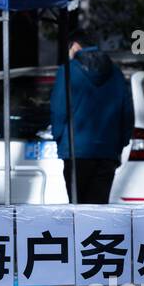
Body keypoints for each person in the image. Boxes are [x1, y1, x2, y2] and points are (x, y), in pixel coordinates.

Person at [50, 33, 134, 204]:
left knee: (77, 208)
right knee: (98, 210)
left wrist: (58, 138)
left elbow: (59, 110)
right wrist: (121, 142)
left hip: (76, 150)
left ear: (75, 46)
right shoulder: (116, 73)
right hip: (107, 151)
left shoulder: (67, 71)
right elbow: (127, 113)